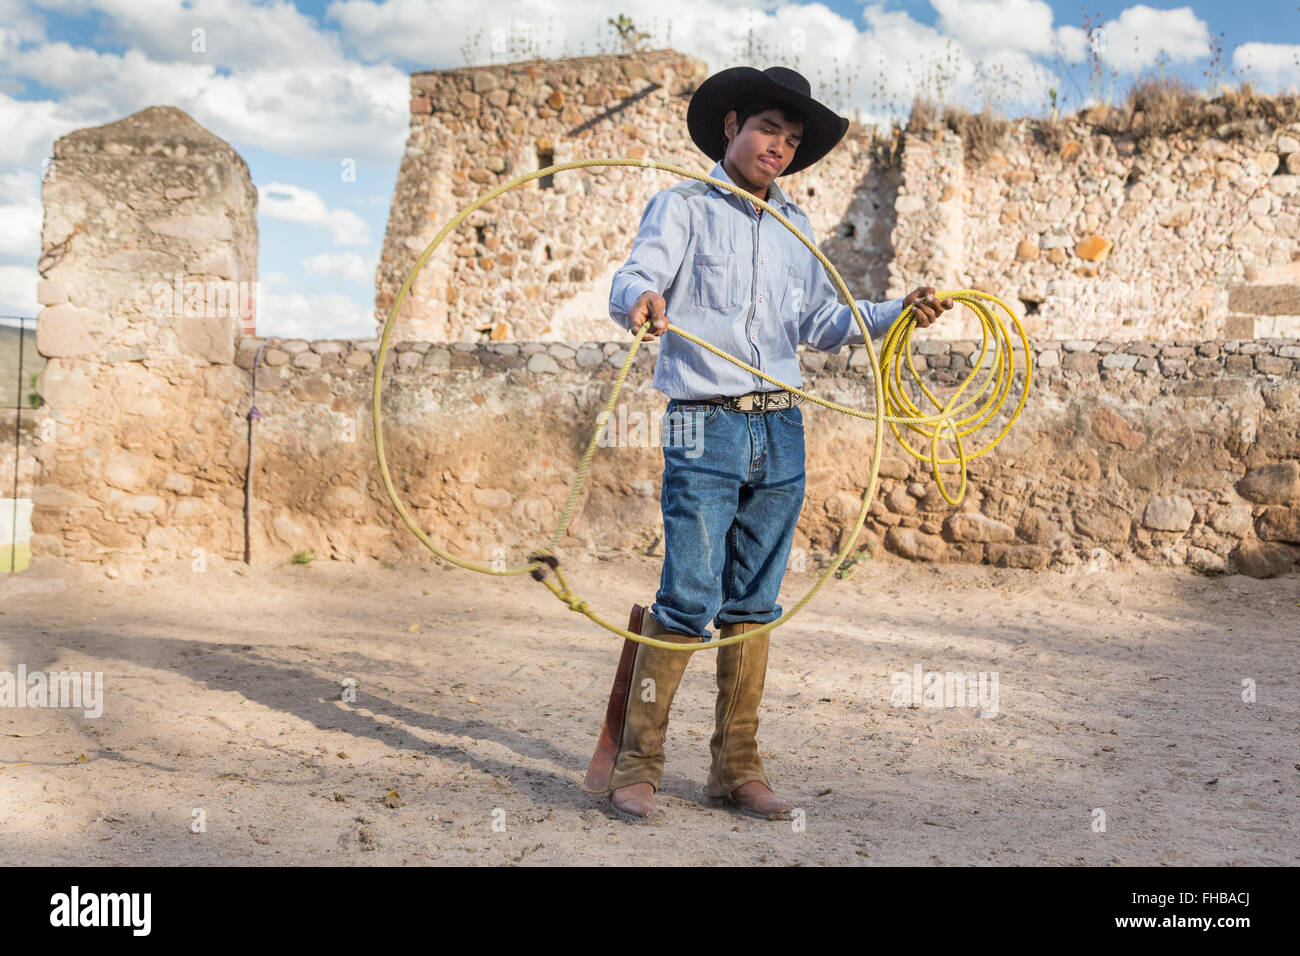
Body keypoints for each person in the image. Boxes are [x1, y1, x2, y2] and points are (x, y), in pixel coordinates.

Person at [582, 65, 953, 821]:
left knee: (754, 602)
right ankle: (638, 763)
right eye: (766, 131)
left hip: (781, 422)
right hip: (701, 418)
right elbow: (634, 277)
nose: (778, 147)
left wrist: (894, 313)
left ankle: (736, 769)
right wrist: (641, 302)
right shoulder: (681, 206)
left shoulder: (798, 227)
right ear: (732, 128)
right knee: (687, 595)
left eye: (790, 139)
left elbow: (821, 322)